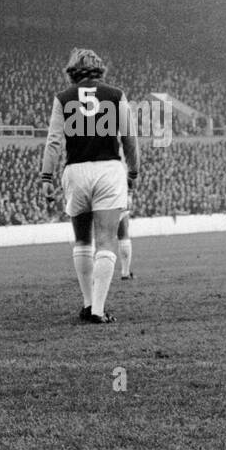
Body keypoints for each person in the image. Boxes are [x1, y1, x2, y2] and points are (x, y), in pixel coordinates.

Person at [39, 47, 139, 324]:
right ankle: (98, 308)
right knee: (107, 239)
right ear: (99, 69)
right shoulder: (116, 94)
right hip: (108, 169)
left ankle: (86, 303)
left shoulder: (64, 98)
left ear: (72, 70)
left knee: (82, 240)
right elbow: (129, 137)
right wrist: (133, 171)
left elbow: (54, 141)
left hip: (76, 170)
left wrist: (46, 177)